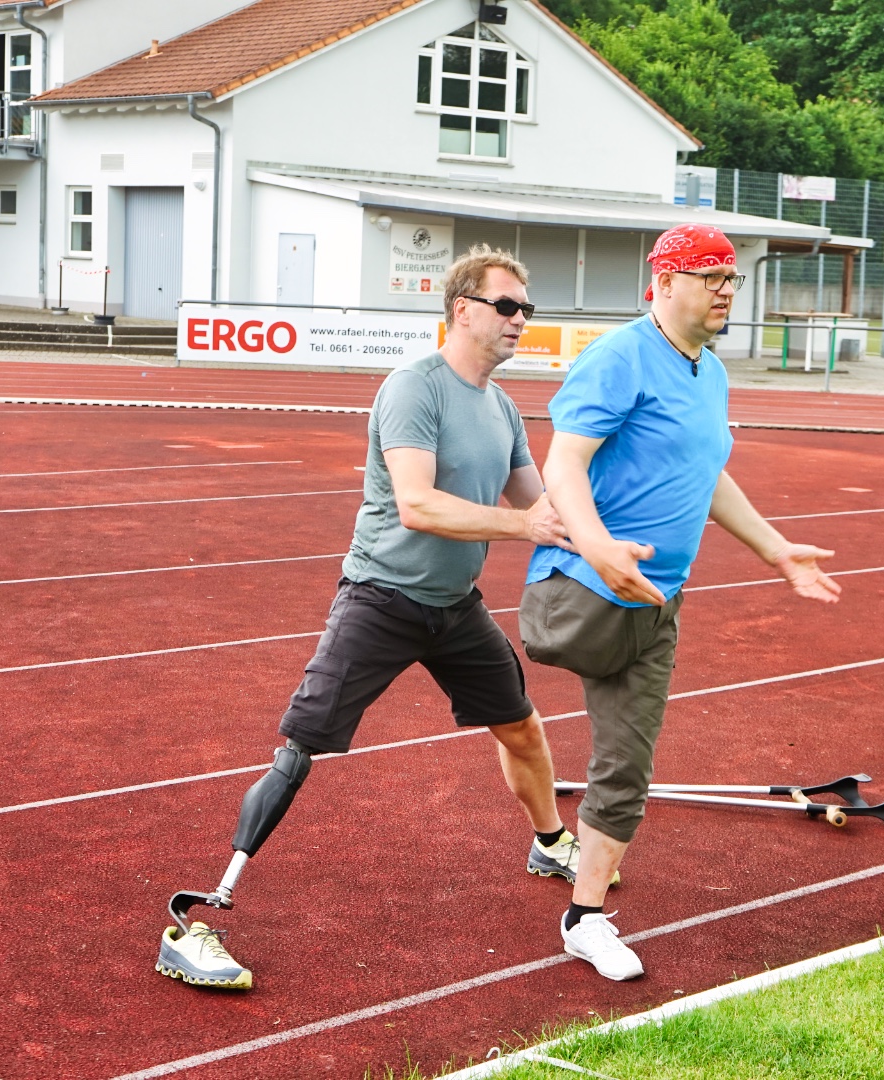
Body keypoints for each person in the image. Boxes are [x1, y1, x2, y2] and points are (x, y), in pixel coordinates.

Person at [160, 246, 578, 990]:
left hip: (454, 609)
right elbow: (418, 504)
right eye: (508, 306)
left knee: (519, 722)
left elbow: (540, 506)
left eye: (528, 309)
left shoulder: (503, 407)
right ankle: (202, 914)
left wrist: (606, 538)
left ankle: (550, 841)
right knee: (301, 748)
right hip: (381, 599)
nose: (522, 321)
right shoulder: (413, 388)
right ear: (464, 310)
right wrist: (528, 530)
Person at [520, 224, 842, 981]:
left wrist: (773, 549)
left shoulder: (710, 372)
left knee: (627, 767)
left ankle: (585, 916)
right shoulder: (618, 356)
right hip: (580, 589)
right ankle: (502, 718)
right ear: (662, 283)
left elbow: (710, 473)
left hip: (657, 602)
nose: (726, 288)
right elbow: (562, 460)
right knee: (516, 694)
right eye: (708, 275)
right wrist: (594, 545)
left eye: (730, 276)